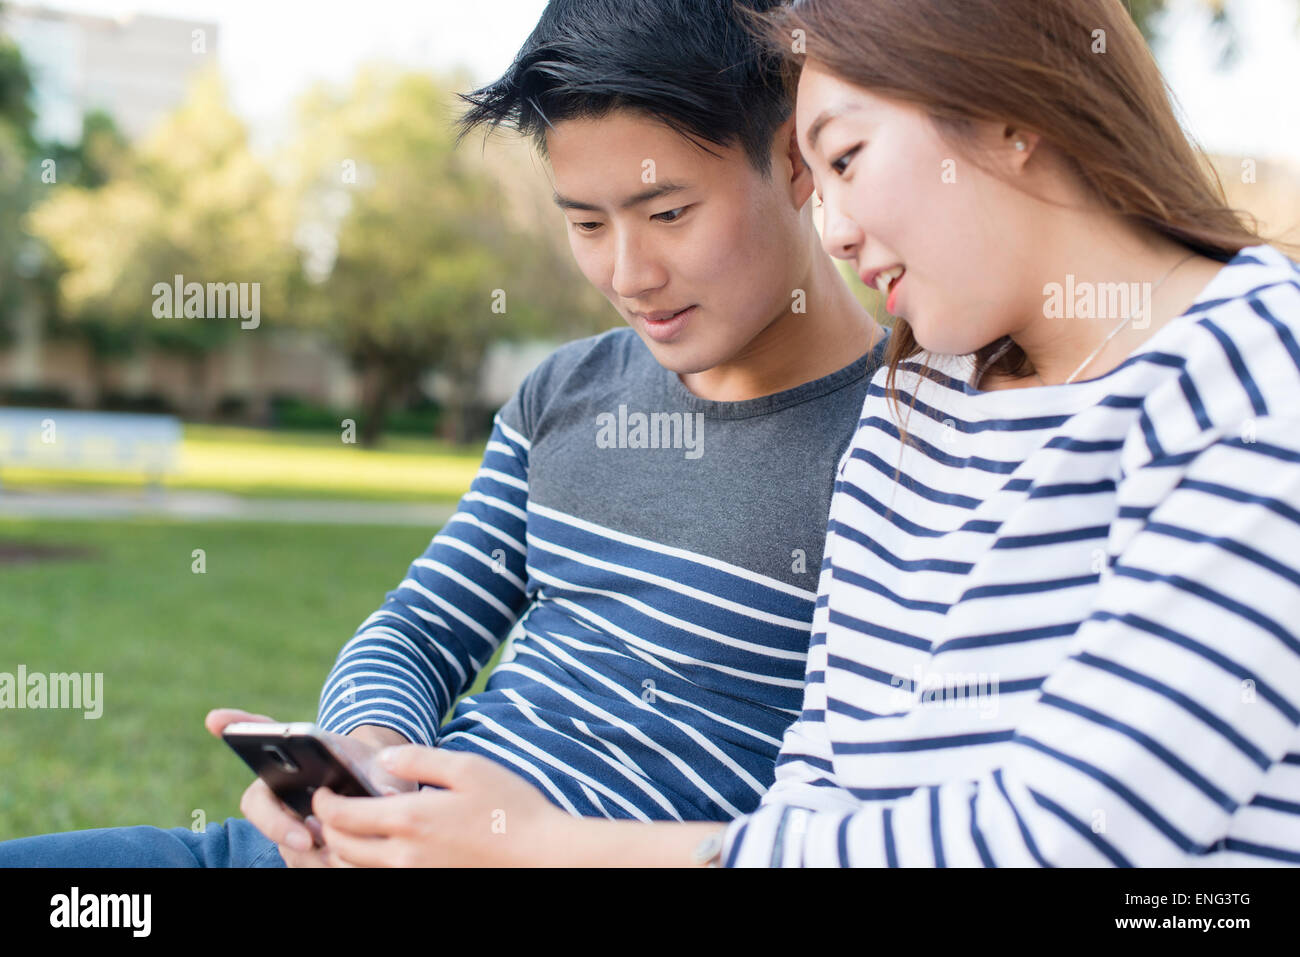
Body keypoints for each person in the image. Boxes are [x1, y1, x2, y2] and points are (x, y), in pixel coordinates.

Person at [283, 0, 1300, 866]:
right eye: (823, 169)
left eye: (847, 158)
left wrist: (552, 847)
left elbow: (1065, 837)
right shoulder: (924, 400)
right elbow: (815, 781)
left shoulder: (1252, 361)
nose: (839, 228)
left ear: (1007, 113)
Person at [0, 0, 888, 866]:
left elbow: (851, 825)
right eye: (584, 222)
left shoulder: (912, 438)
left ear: (796, 159)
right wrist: (365, 766)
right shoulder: (565, 394)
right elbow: (421, 631)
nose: (628, 273)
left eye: (667, 215)